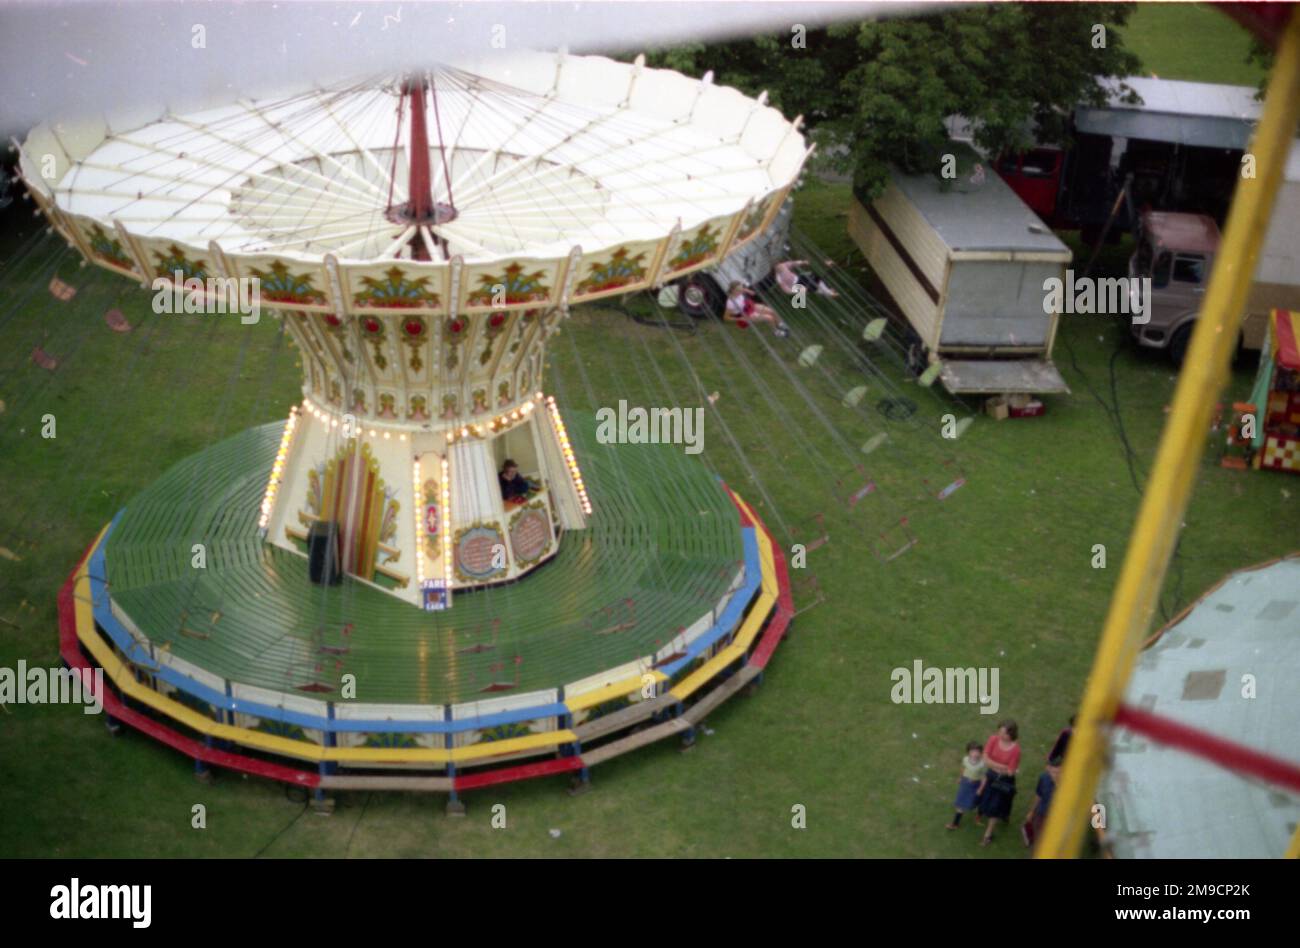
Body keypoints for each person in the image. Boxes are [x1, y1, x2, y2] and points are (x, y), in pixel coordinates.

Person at [976, 719, 1021, 846]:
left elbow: (1011, 772)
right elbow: (985, 758)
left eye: (1003, 733)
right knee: (988, 801)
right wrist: (1002, 767)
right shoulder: (993, 739)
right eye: (999, 731)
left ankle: (988, 835)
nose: (1000, 735)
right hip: (991, 777)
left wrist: (994, 765)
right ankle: (1002, 815)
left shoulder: (1015, 750)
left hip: (1003, 782)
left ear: (1011, 734)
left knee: (995, 807)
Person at [1022, 755, 1063, 848]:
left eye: (1058, 772)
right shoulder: (1044, 778)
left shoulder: (1068, 785)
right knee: (1038, 838)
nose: (1055, 775)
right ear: (1049, 770)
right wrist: (1031, 812)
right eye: (1053, 772)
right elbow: (1038, 795)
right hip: (1042, 813)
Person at [946, 741, 986, 830]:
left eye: (977, 751)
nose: (975, 754)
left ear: (981, 752)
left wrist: (980, 788)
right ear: (968, 752)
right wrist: (960, 777)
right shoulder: (965, 759)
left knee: (976, 802)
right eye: (972, 751)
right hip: (965, 783)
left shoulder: (982, 764)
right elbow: (963, 768)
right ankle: (955, 824)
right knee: (960, 803)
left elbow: (984, 778)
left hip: (975, 785)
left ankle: (979, 814)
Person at [725, 282, 789, 337]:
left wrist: (748, 291)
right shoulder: (730, 303)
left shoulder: (739, 290)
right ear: (733, 290)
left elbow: (743, 289)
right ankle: (776, 332)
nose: (741, 291)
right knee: (769, 318)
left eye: (741, 289)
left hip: (749, 305)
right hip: (746, 314)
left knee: (771, 311)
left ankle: (780, 324)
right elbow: (726, 317)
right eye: (738, 290)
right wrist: (739, 318)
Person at [774, 259, 839, 298]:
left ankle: (829, 292)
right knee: (813, 286)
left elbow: (793, 263)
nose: (780, 267)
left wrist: (803, 262)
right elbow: (786, 290)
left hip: (799, 278)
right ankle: (829, 292)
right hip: (797, 285)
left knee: (815, 280)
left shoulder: (783, 265)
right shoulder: (779, 278)